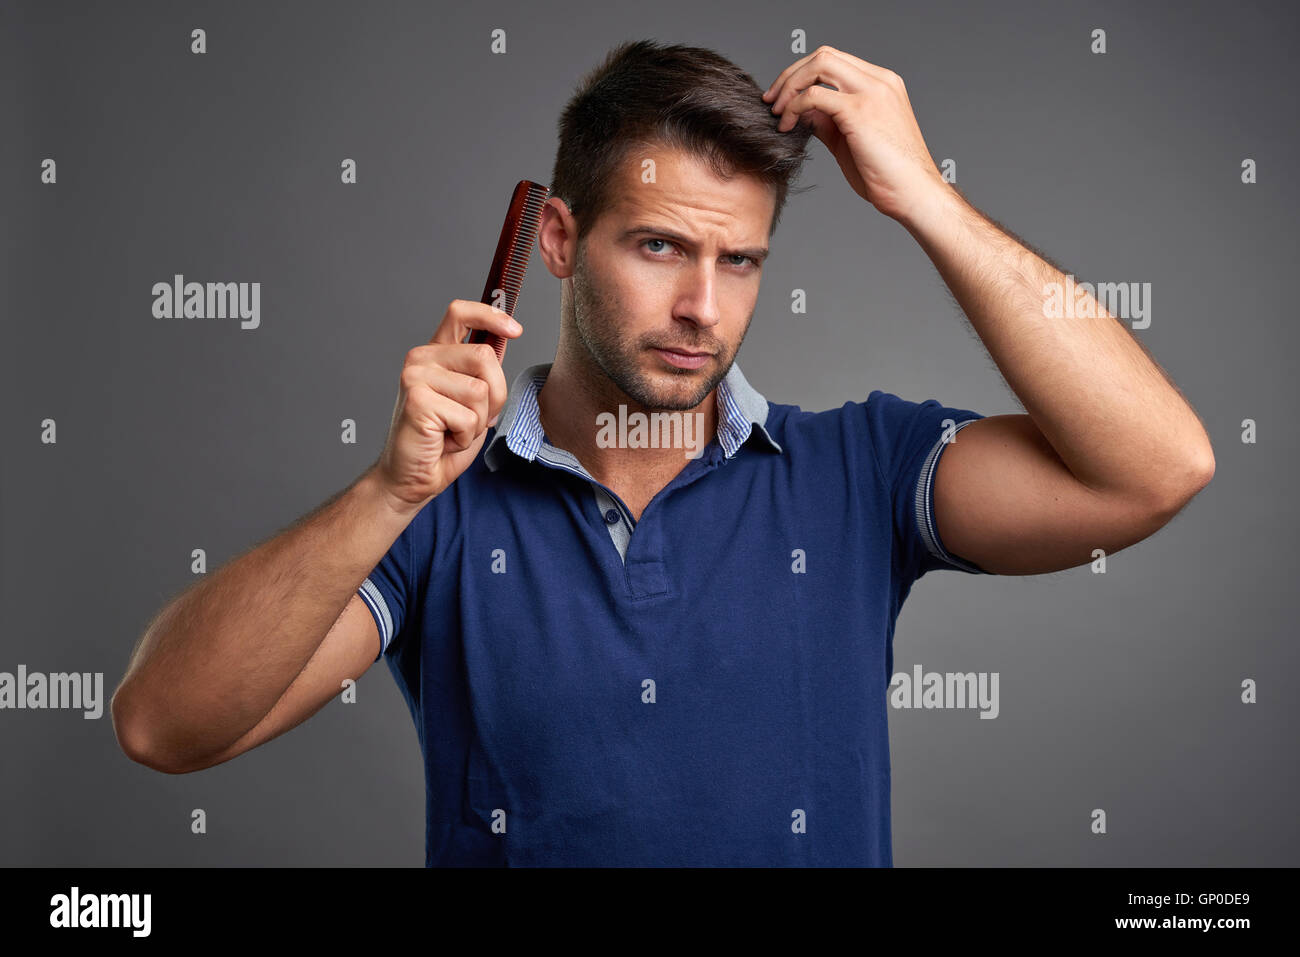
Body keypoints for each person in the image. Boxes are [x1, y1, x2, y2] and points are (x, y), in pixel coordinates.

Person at [111, 40, 1215, 866]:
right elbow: (165, 726)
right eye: (658, 246)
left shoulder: (857, 473)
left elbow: (1157, 466)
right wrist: (387, 491)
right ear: (556, 239)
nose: (701, 305)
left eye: (739, 261)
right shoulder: (435, 517)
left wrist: (923, 198)